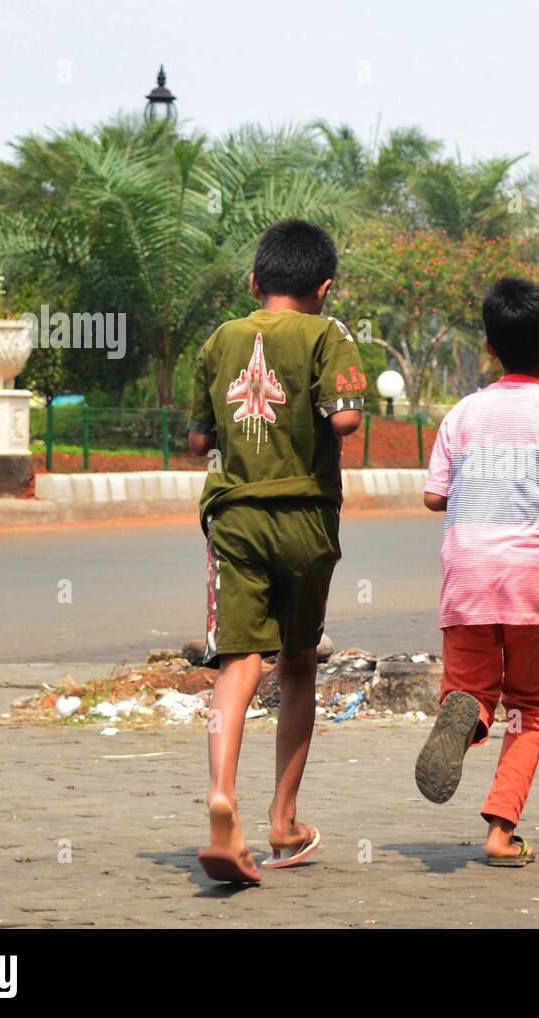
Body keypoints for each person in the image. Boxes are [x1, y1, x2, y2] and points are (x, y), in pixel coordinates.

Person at [187, 218, 367, 883]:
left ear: (254, 282)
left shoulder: (220, 338)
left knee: (238, 663)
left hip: (235, 517)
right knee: (296, 667)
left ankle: (220, 796)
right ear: (324, 288)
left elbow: (199, 439)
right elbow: (344, 417)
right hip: (307, 521)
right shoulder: (330, 334)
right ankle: (285, 823)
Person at [416, 276, 539, 866]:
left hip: (466, 572)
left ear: (489, 347)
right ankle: (499, 832)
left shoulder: (462, 415)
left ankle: (462, 722)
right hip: (529, 577)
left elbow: (434, 498)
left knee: (469, 688)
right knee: (531, 705)